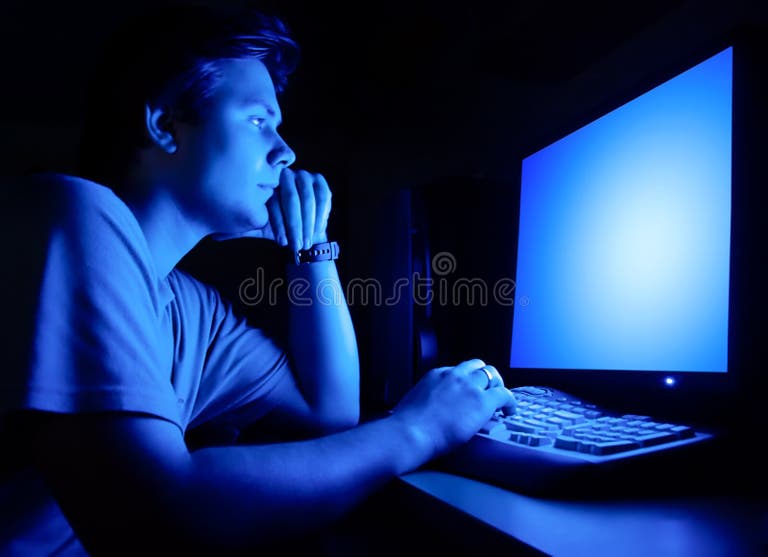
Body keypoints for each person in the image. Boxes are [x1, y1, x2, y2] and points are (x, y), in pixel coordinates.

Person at [0, 3, 515, 555]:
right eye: (256, 120)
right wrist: (420, 428)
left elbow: (329, 415)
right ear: (165, 122)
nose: (286, 151)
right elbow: (162, 515)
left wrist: (312, 250)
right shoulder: (66, 211)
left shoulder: (186, 306)